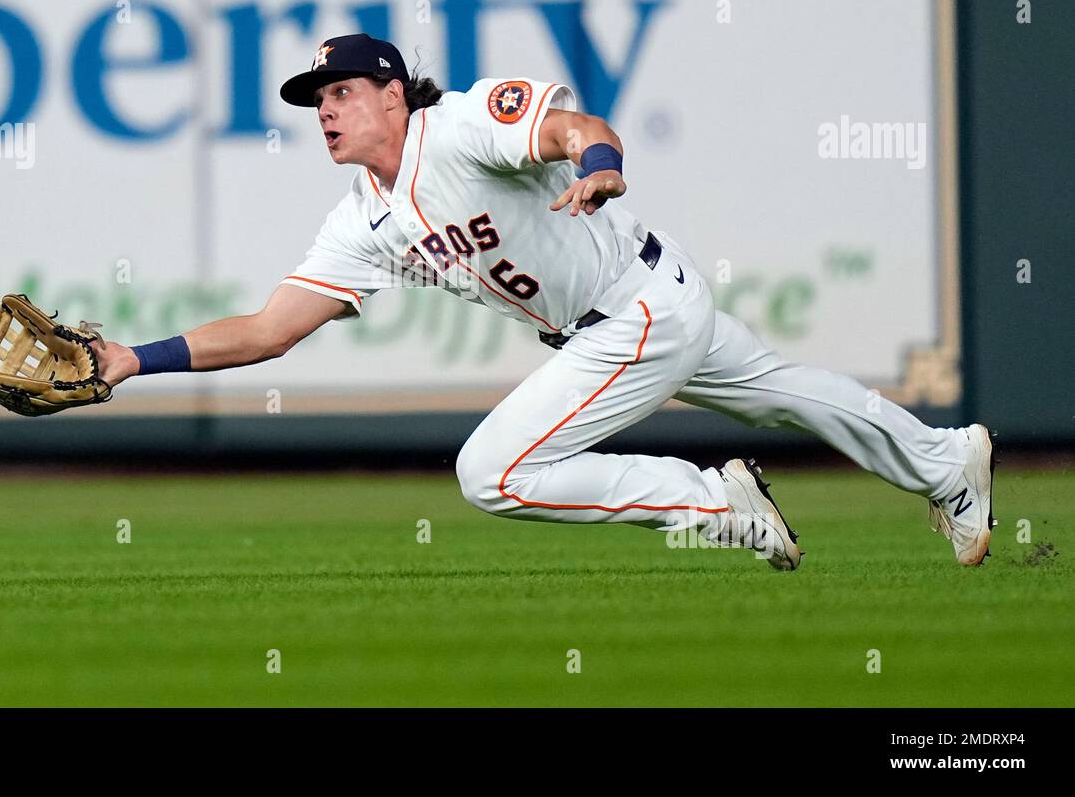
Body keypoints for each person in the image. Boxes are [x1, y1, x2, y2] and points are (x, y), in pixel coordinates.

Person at [93, 33, 996, 571]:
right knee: (780, 391)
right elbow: (266, 330)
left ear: (395, 95)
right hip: (646, 297)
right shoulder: (361, 221)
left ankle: (714, 508)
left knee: (490, 473)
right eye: (314, 100)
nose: (324, 111)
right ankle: (946, 461)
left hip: (634, 311)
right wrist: (133, 360)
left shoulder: (460, 126)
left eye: (341, 92)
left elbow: (576, 129)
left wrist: (598, 166)